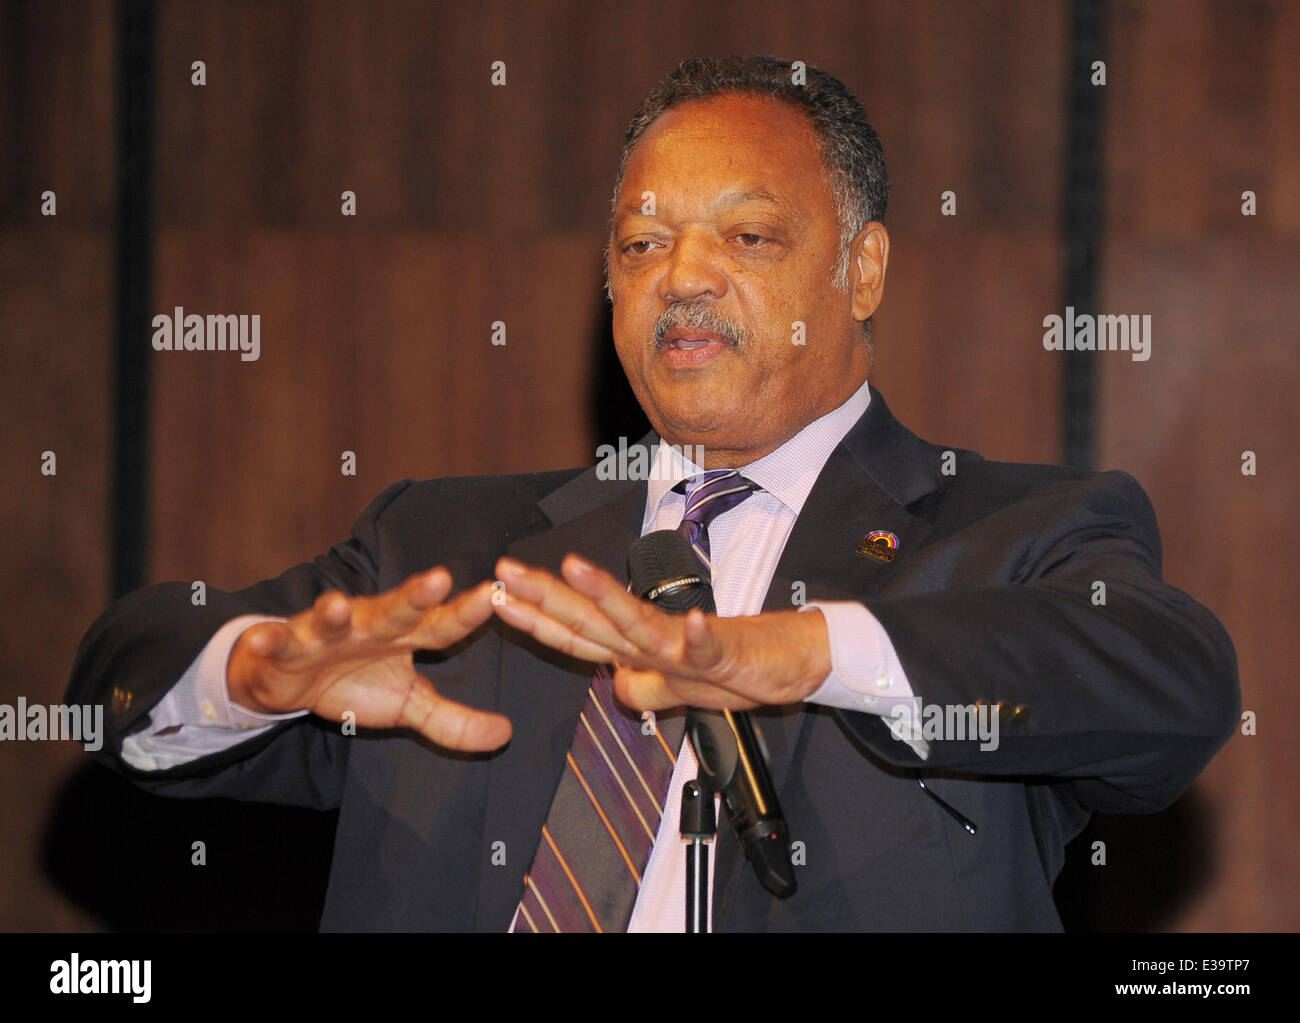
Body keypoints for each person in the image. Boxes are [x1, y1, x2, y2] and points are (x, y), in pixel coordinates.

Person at [68, 55, 1239, 931]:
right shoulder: (453, 551)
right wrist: (256, 671)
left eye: (746, 236)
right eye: (639, 246)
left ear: (861, 268)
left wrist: (810, 653)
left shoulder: (1007, 536)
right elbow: (114, 684)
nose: (681, 278)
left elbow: (1170, 686)